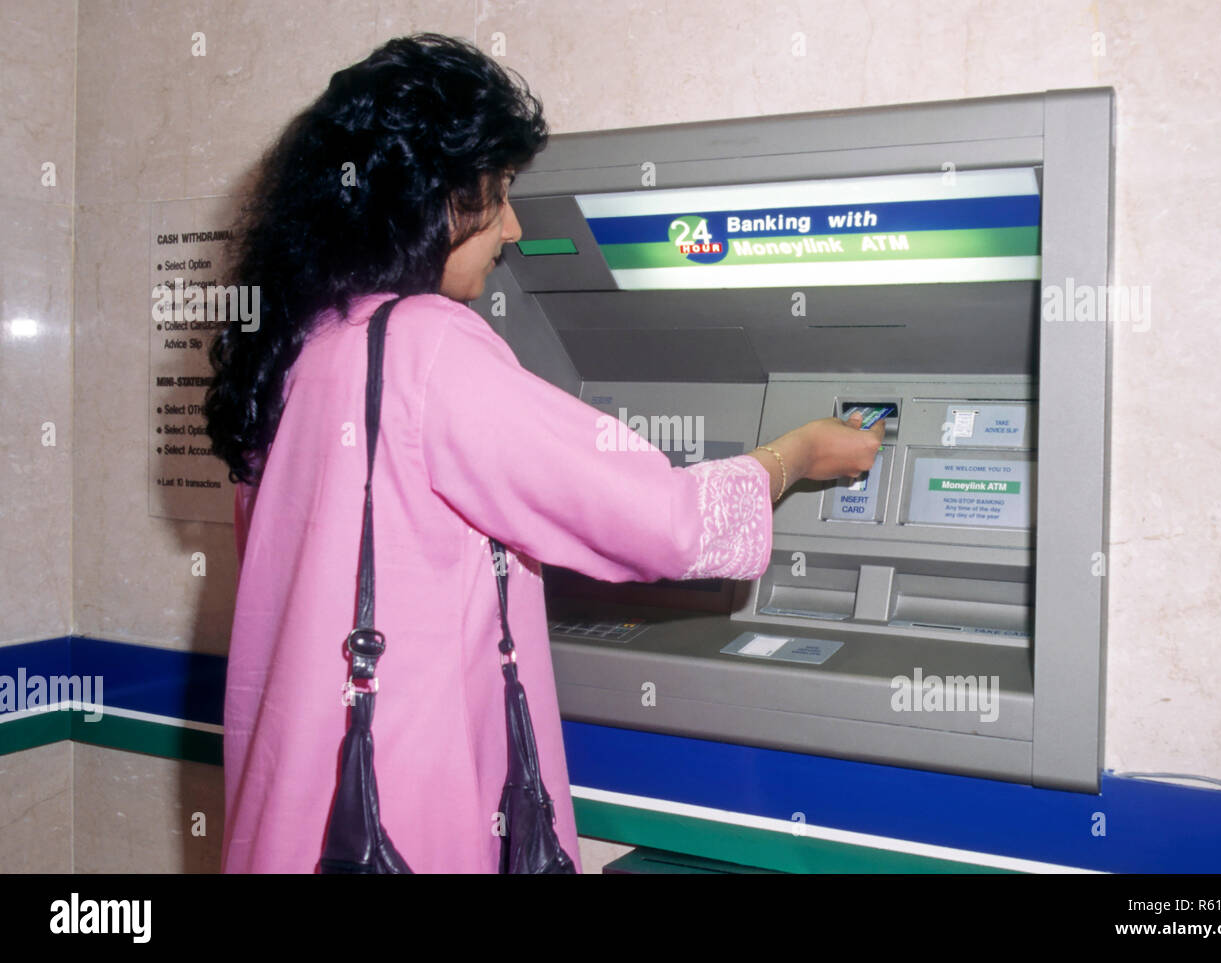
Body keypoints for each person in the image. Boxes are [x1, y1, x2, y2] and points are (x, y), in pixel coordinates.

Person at [204, 33, 885, 874]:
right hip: (406, 815)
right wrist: (795, 455)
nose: (515, 228)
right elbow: (664, 519)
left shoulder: (298, 349)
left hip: (298, 817)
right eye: (500, 192)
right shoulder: (428, 346)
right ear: (437, 198)